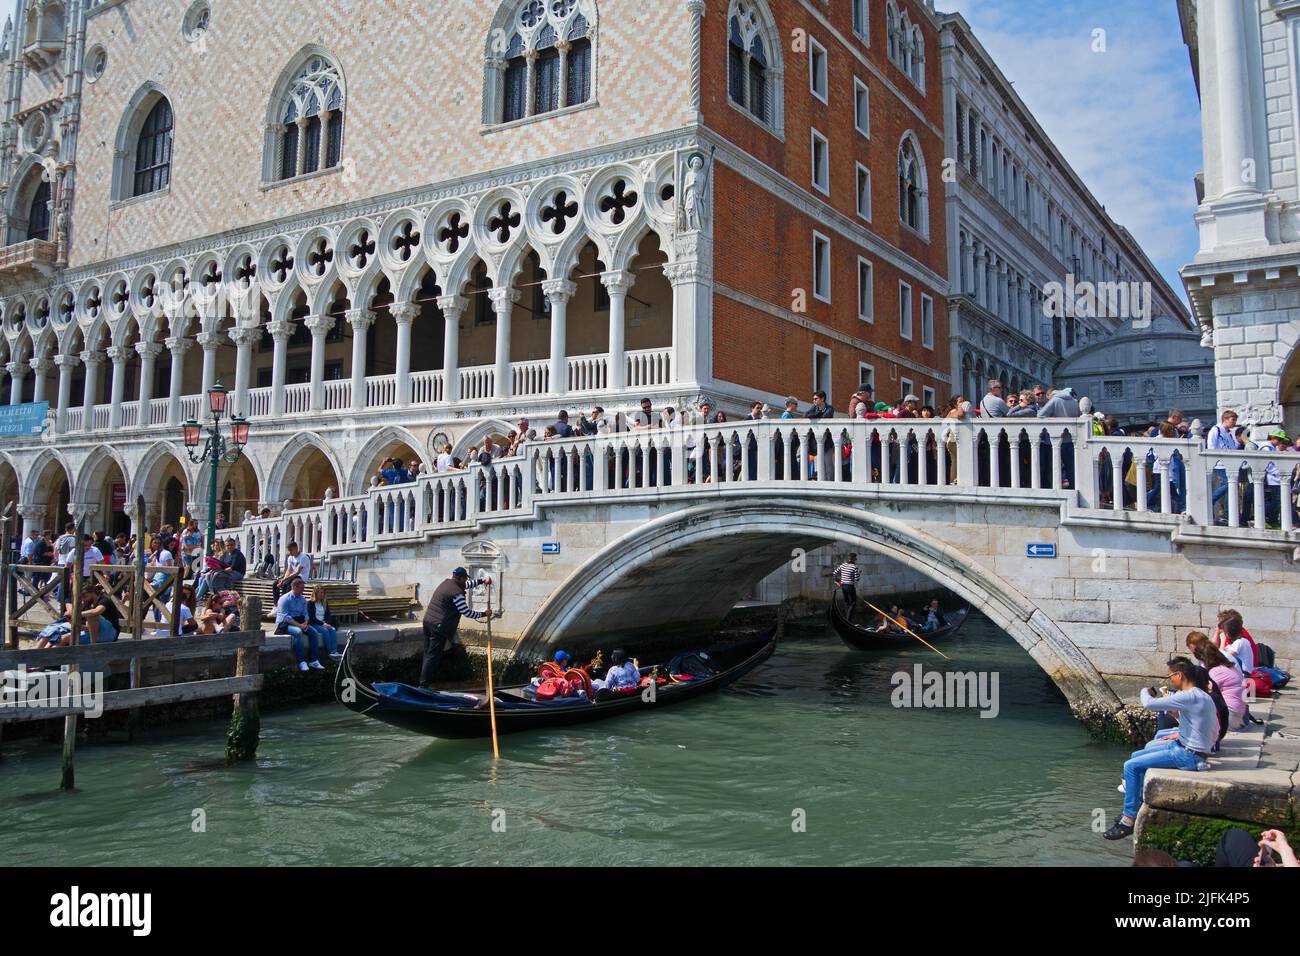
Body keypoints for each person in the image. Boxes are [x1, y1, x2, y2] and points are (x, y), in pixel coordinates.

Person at [1102, 658, 1219, 840]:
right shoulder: (1202, 696)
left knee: (1130, 766)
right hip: (1190, 749)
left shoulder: (1188, 695)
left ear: (1179, 675)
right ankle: (1136, 805)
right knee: (1136, 755)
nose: (1171, 680)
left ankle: (1128, 820)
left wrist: (1144, 690)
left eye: (1171, 676)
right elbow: (1211, 729)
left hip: (1187, 755)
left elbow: (1149, 704)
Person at [419, 567, 498, 687]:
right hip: (438, 627)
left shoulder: (448, 583)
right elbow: (466, 612)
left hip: (428, 621)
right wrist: (484, 613)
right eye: (465, 578)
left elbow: (467, 584)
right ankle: (423, 686)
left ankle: (424, 684)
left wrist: (482, 581)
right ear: (460, 578)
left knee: (428, 653)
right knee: (433, 656)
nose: (466, 580)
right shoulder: (457, 593)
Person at [1186, 632, 1248, 731]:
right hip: (1239, 713)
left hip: (1230, 717)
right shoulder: (1228, 667)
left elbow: (1200, 693)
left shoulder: (1216, 672)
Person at [275, 578, 326, 672]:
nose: (303, 590)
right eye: (302, 588)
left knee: (313, 632)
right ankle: (301, 661)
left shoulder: (302, 599)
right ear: (294, 587)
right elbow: (286, 617)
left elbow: (305, 613)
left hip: (299, 621)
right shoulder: (284, 599)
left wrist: (306, 622)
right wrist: (300, 626)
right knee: (298, 632)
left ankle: (314, 660)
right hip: (285, 623)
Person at [308, 583, 341, 661]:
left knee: (332, 630)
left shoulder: (324, 603)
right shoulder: (310, 603)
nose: (322, 594)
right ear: (316, 593)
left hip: (323, 622)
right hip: (315, 623)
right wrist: (323, 624)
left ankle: (334, 651)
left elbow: (328, 614)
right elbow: (312, 618)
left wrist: (328, 623)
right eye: (320, 593)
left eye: (323, 593)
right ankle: (330, 651)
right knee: (325, 631)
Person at [831, 553, 861, 621]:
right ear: (854, 559)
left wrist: (837, 582)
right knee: (853, 603)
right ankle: (848, 620)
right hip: (850, 586)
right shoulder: (854, 567)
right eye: (855, 559)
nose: (856, 560)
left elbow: (834, 573)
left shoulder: (843, 565)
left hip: (843, 586)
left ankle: (845, 617)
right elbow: (857, 579)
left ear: (848, 558)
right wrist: (859, 573)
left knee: (846, 602)